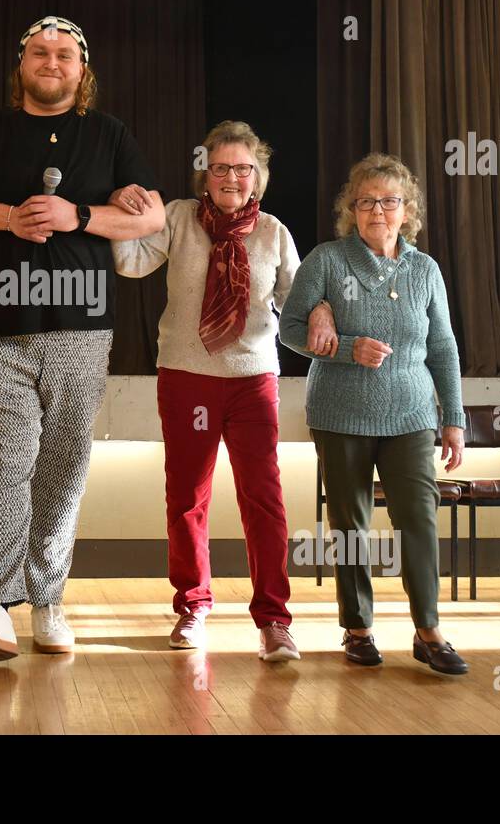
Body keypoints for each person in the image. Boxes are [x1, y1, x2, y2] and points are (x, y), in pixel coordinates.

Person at [0, 15, 164, 661]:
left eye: (65, 55)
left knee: (63, 469)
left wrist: (78, 214)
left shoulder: (109, 137)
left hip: (82, 332)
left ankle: (48, 598)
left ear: (83, 71)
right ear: (21, 63)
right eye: (40, 52)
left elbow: (154, 215)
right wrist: (8, 217)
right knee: (4, 462)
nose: (52, 62)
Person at [112, 120, 337, 661]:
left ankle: (274, 621)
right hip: (187, 376)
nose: (232, 177)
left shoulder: (274, 233)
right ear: (204, 174)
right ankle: (193, 606)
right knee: (188, 496)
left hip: (253, 378)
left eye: (243, 168)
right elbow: (129, 263)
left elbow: (299, 301)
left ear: (257, 177)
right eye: (220, 168)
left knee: (264, 497)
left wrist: (324, 307)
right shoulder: (178, 220)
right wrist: (126, 212)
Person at [279, 153, 469, 675]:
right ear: (352, 210)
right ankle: (357, 627)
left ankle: (428, 629)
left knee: (418, 520)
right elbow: (290, 329)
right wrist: (346, 348)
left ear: (407, 210)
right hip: (340, 412)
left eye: (389, 201)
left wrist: (453, 418)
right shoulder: (326, 260)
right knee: (350, 524)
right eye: (366, 201)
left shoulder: (425, 269)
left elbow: (444, 348)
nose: (378, 210)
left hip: (411, 413)